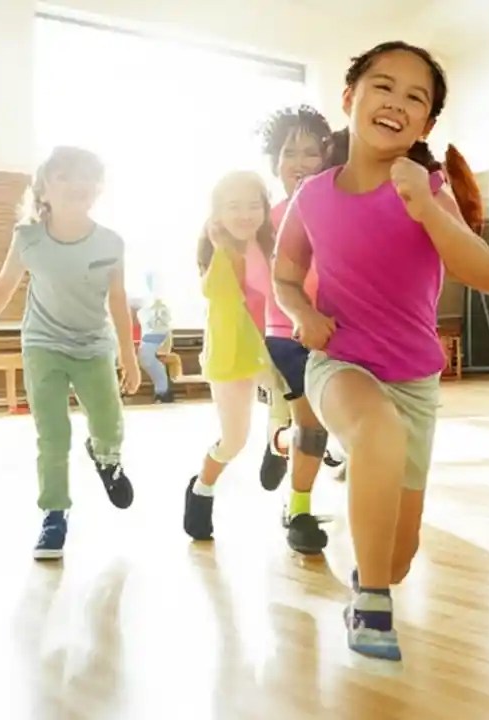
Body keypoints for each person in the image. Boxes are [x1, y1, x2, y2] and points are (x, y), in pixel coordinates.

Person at [272, 41, 489, 660]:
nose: (396, 103)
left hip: (414, 379)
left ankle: (373, 578)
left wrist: (426, 207)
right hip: (340, 362)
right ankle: (372, 604)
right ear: (350, 98)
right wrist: (302, 314)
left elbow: (485, 273)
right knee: (375, 431)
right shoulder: (311, 196)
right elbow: (285, 273)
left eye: (415, 98)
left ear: (426, 123)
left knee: (397, 558)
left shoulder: (429, 188)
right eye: (383, 86)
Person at [0, 146, 138, 560]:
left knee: (109, 424)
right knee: (53, 434)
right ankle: (54, 513)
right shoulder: (28, 237)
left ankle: (107, 459)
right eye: (64, 176)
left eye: (87, 176)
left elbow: (118, 300)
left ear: (99, 187)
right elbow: (3, 285)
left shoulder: (110, 242)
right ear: (44, 187)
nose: (76, 185)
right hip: (43, 345)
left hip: (93, 347)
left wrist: (129, 355)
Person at [256, 105, 336, 552]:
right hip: (285, 334)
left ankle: (279, 440)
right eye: (290, 153)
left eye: (311, 152)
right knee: (315, 427)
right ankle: (299, 510)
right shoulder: (266, 219)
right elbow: (249, 283)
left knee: (329, 426)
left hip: (340, 331)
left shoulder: (340, 210)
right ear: (275, 164)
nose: (301, 162)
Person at [183, 171, 276, 542]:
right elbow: (215, 291)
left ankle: (280, 449)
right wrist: (224, 248)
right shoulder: (215, 249)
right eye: (234, 206)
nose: (245, 214)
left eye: (254, 205)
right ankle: (202, 487)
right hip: (232, 354)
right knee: (234, 440)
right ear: (217, 212)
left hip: (275, 345)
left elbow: (279, 290)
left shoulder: (273, 244)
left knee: (299, 410)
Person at [136, 294, 175, 403]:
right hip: (149, 338)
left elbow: (165, 325)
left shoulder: (162, 310)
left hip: (159, 337)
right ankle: (162, 391)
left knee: (151, 362)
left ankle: (162, 391)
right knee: (147, 360)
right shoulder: (145, 310)